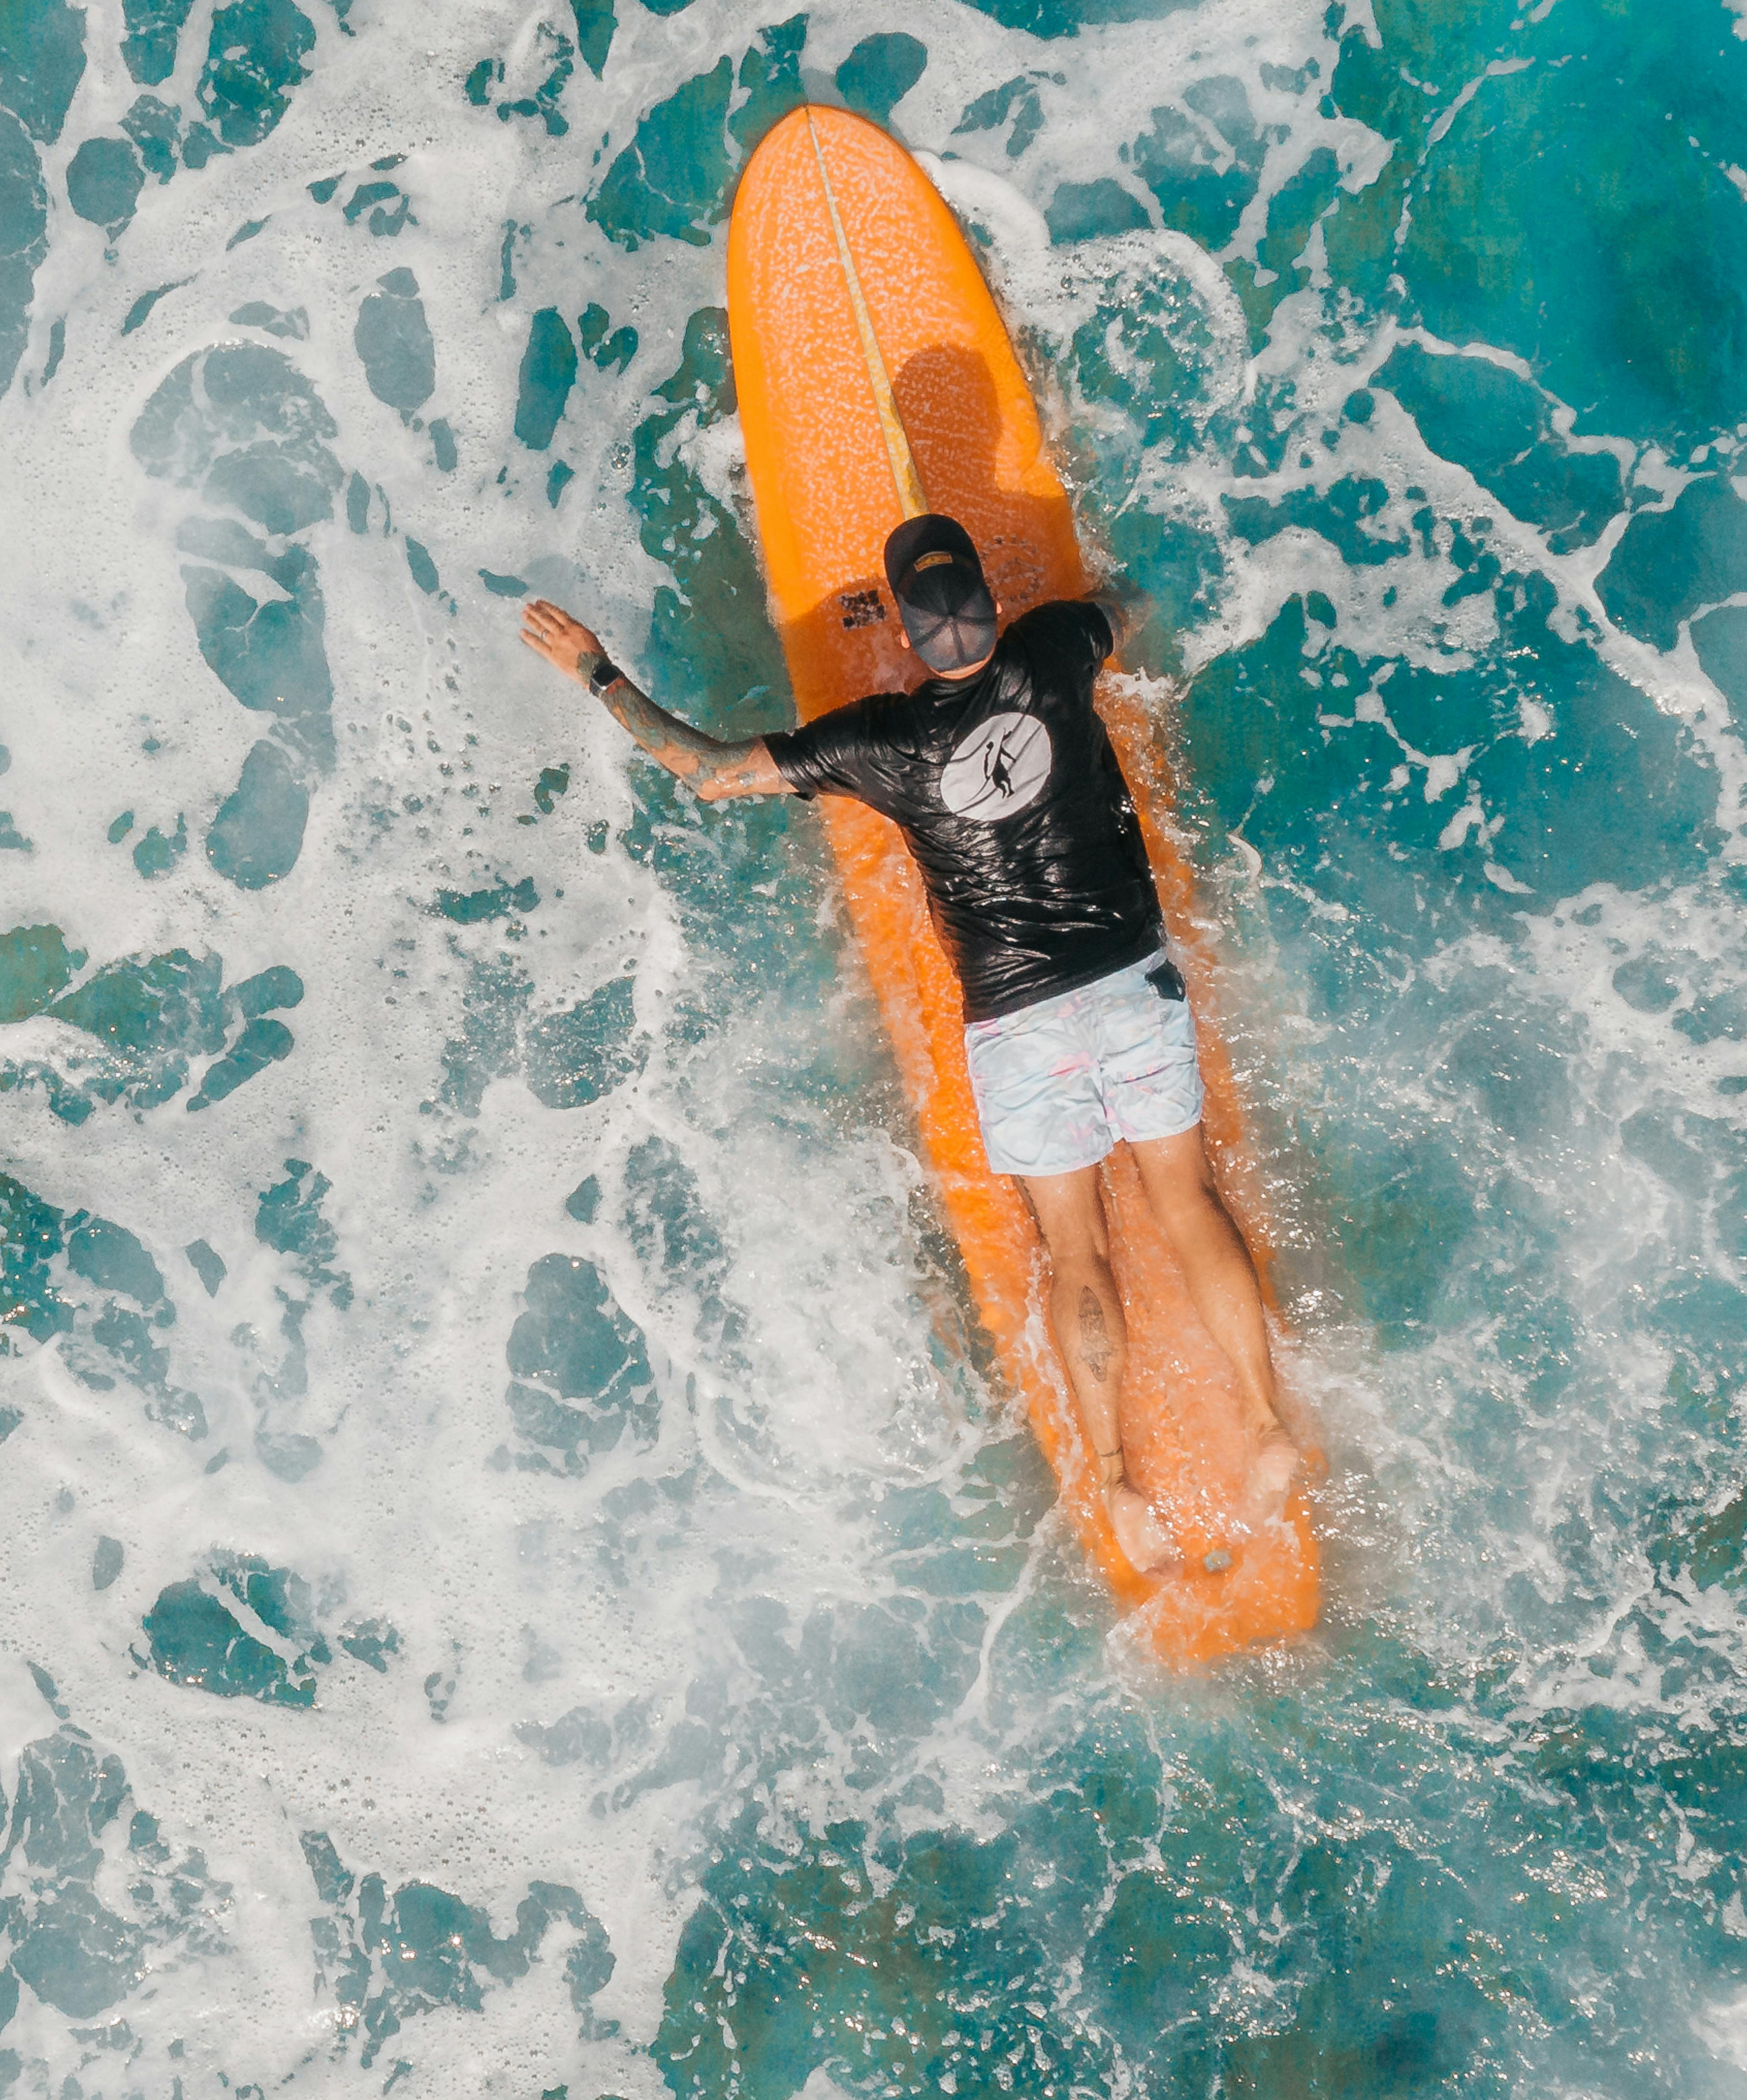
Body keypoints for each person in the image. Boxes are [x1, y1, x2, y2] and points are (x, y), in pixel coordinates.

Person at [518, 516, 1298, 1577]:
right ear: (989, 604)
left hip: (1017, 1022)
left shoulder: (877, 742)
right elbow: (1127, 611)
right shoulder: (1055, 647)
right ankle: (1265, 1428)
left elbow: (700, 769)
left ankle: (1119, 1481)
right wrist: (1117, 598)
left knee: (1075, 1250)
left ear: (902, 629)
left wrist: (595, 671)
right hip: (1126, 981)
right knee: (1186, 1200)